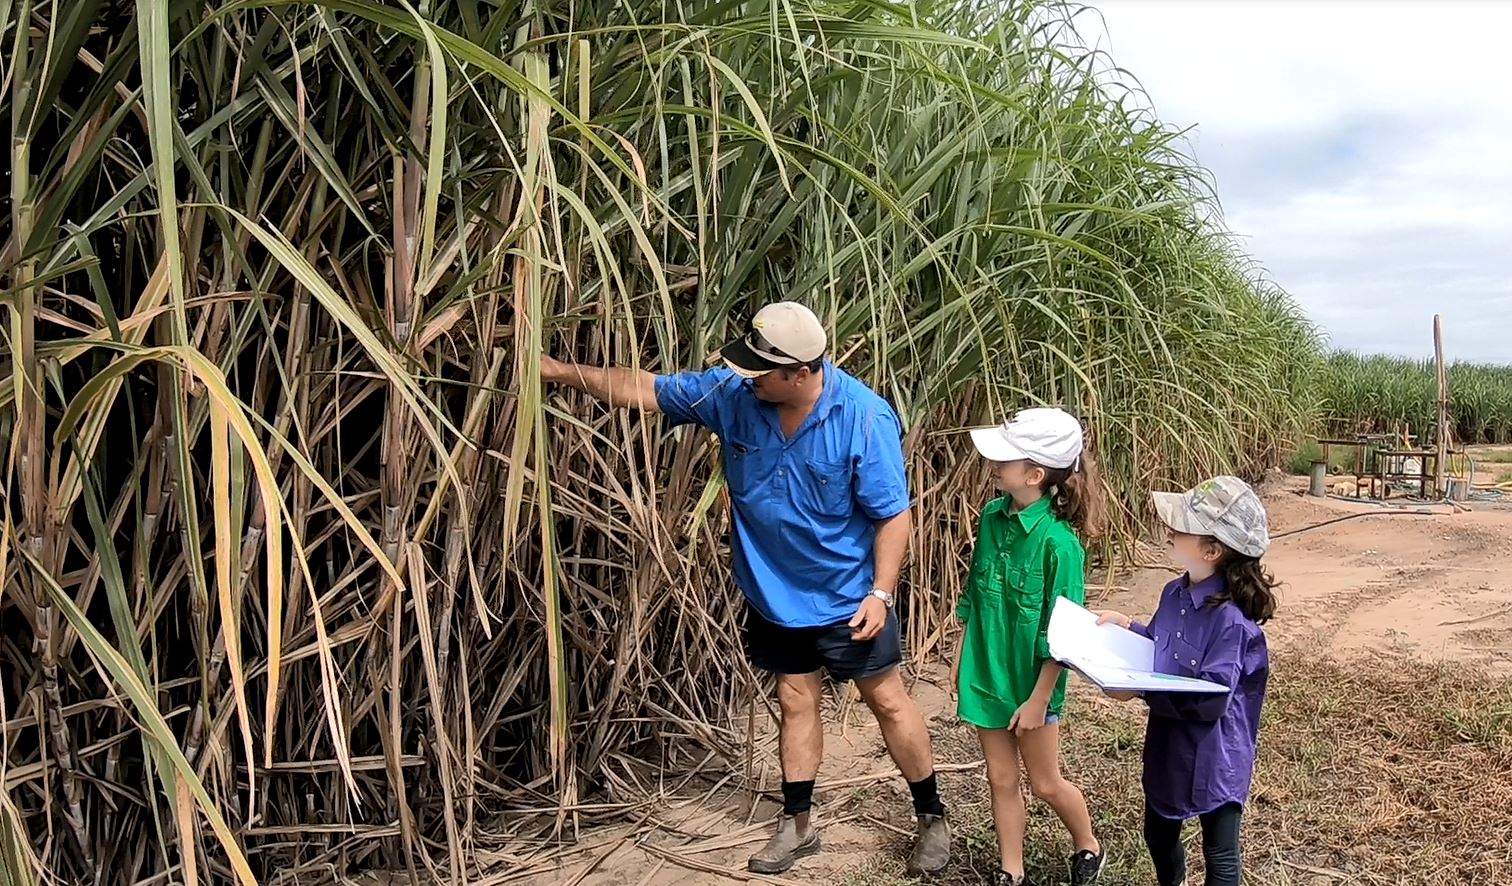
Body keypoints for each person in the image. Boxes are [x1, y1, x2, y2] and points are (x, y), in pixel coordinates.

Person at [537, 302, 950, 876]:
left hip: (847, 596)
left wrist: (880, 593)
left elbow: (893, 515)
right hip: (773, 595)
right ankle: (798, 824)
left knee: (885, 699)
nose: (747, 378)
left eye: (760, 372)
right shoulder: (735, 397)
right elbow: (648, 388)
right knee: (794, 699)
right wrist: (557, 371)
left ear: (800, 373)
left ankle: (931, 816)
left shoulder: (863, 418)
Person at [1095, 476, 1276, 886]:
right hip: (1170, 746)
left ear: (1211, 551)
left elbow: (1211, 700)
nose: (1170, 530)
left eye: (1182, 526)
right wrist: (1128, 628)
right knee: (1157, 834)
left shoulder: (1232, 622)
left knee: (1221, 854)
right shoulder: (1173, 594)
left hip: (1217, 754)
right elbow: (1160, 647)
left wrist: (1139, 689)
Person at [954, 408, 1106, 886]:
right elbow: (975, 600)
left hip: (1033, 686)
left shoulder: (1060, 546)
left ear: (1035, 474)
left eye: (1006, 459)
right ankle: (1011, 870)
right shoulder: (991, 519)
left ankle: (1088, 845)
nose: (994, 465)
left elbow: (1064, 637)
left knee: (1044, 783)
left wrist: (1040, 699)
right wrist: (965, 661)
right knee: (1000, 779)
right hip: (987, 675)